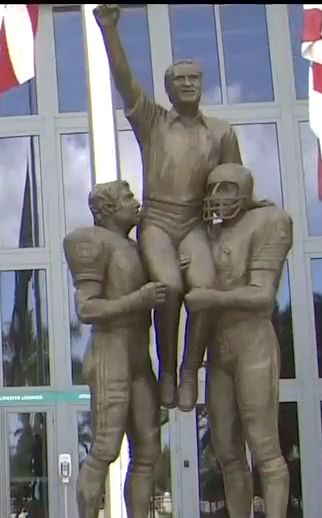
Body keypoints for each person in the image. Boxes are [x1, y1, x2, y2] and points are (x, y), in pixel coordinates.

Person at [93, 3, 243, 412]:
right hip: (157, 221)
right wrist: (109, 30)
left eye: (195, 78)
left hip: (194, 223)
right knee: (170, 288)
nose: (189, 84)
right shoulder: (153, 121)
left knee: (205, 290)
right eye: (181, 79)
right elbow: (124, 80)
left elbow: (236, 184)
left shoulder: (221, 132)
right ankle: (169, 372)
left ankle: (191, 368)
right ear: (169, 88)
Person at [63, 180, 188, 518]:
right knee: (105, 447)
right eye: (127, 199)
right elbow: (87, 309)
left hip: (138, 357)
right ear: (105, 209)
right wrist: (140, 298)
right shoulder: (89, 242)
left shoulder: (137, 249)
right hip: (110, 352)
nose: (136, 204)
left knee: (148, 447)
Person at [185, 164, 294, 518]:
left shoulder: (270, 221)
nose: (217, 195)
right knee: (226, 447)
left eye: (226, 187)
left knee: (264, 444)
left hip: (253, 342)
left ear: (245, 189)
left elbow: (263, 295)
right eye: (211, 187)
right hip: (220, 349)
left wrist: (212, 299)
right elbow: (199, 313)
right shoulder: (208, 235)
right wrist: (188, 368)